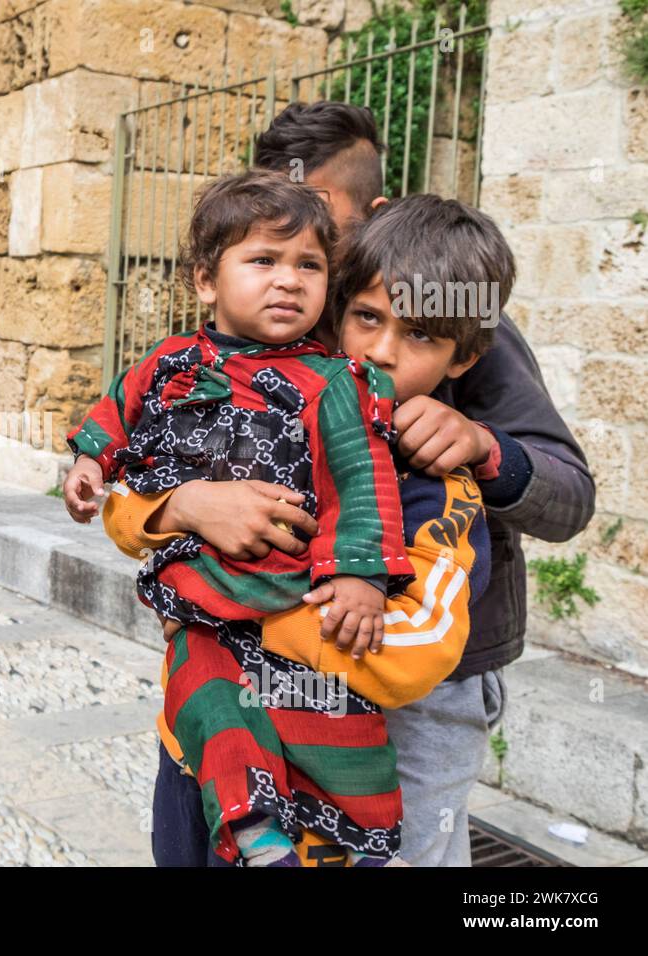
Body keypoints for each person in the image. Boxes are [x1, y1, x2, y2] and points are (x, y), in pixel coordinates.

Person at [65, 101, 595, 867]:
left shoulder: (449, 302)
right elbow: (140, 460)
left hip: (405, 663)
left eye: (320, 230)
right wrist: (181, 507)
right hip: (236, 664)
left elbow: (568, 493)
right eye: (274, 238)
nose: (296, 257)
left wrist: (484, 446)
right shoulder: (274, 320)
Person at [103, 194, 503, 866]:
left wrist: (219, 611)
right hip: (196, 748)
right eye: (367, 318)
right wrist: (188, 506)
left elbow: (412, 651)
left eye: (422, 336)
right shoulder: (268, 409)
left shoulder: (437, 490)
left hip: (322, 789)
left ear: (464, 357)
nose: (381, 351)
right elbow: (127, 499)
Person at [67, 169, 416, 865]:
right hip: (200, 599)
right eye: (263, 261)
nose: (289, 281)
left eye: (308, 266)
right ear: (205, 282)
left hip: (295, 595)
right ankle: (253, 828)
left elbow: (363, 478)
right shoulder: (167, 366)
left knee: (332, 723)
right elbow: (116, 410)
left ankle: (356, 839)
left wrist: (362, 578)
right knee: (210, 700)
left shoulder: (331, 383)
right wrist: (90, 464)